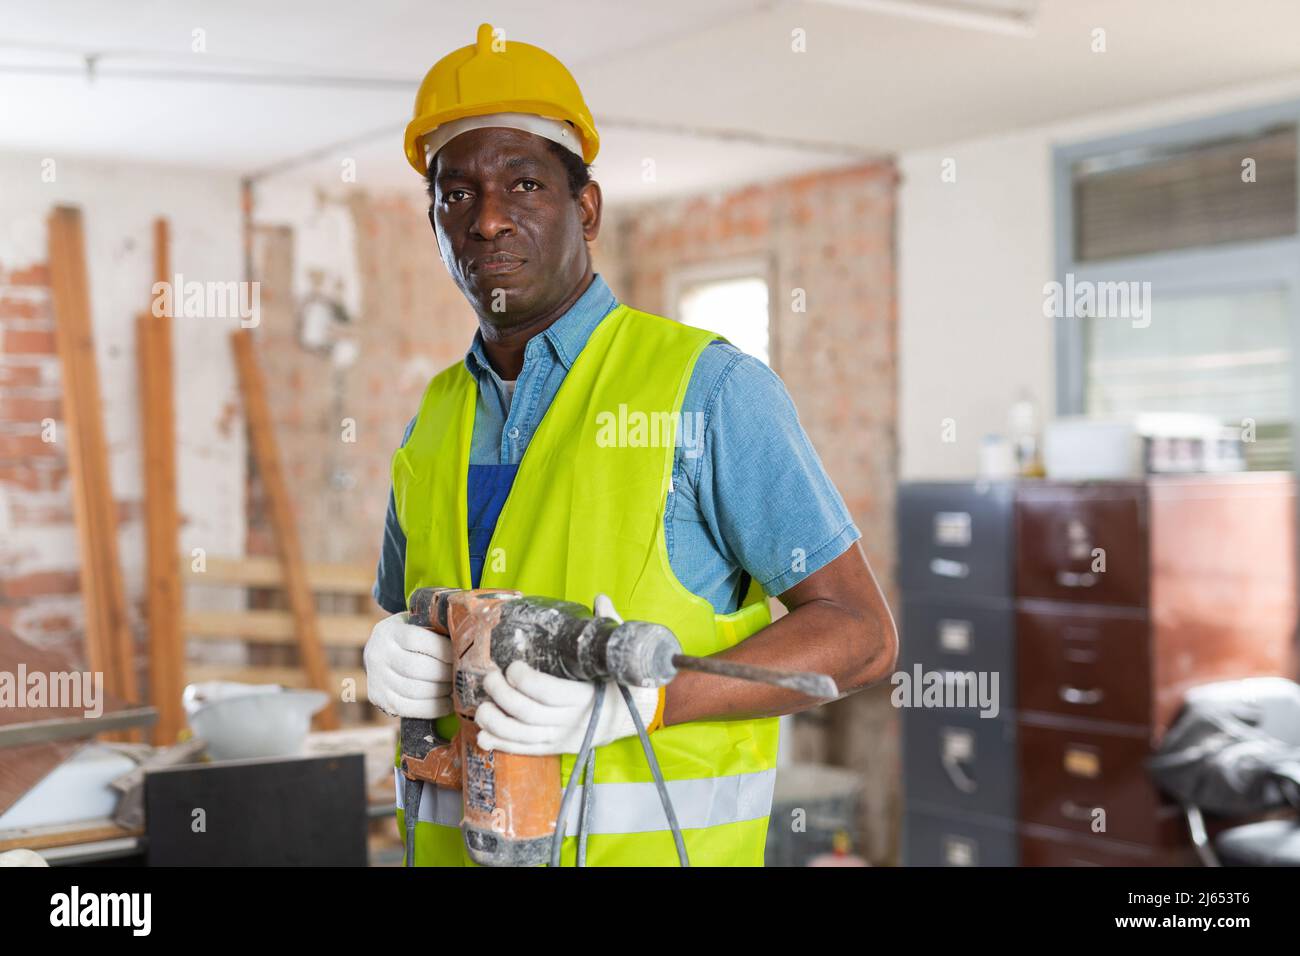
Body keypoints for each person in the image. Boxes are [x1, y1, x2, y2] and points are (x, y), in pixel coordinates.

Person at [364, 22, 896, 866]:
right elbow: (414, 613)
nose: (489, 219)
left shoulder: (708, 391)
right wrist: (393, 647)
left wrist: (651, 702)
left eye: (525, 183)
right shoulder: (431, 417)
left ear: (586, 206)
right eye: (455, 193)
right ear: (433, 221)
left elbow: (862, 635)